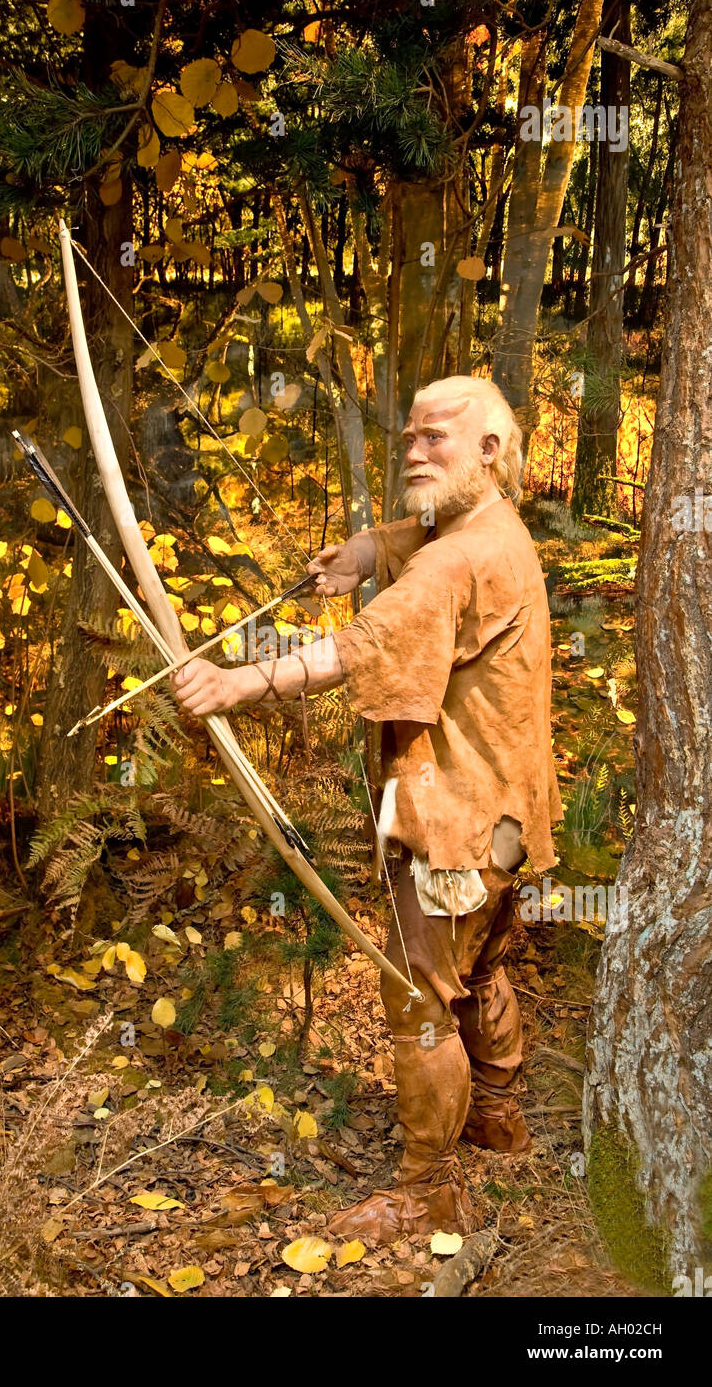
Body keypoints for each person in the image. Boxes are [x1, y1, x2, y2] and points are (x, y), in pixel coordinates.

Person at [171, 374, 563, 1244]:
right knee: (478, 970)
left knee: (420, 996)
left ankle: (429, 1190)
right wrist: (360, 550)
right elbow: (418, 535)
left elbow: (362, 645)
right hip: (506, 818)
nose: (415, 453)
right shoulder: (488, 526)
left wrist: (235, 681)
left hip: (455, 821)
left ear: (490, 452)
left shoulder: (458, 557)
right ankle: (495, 1111)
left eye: (437, 440)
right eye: (410, 437)